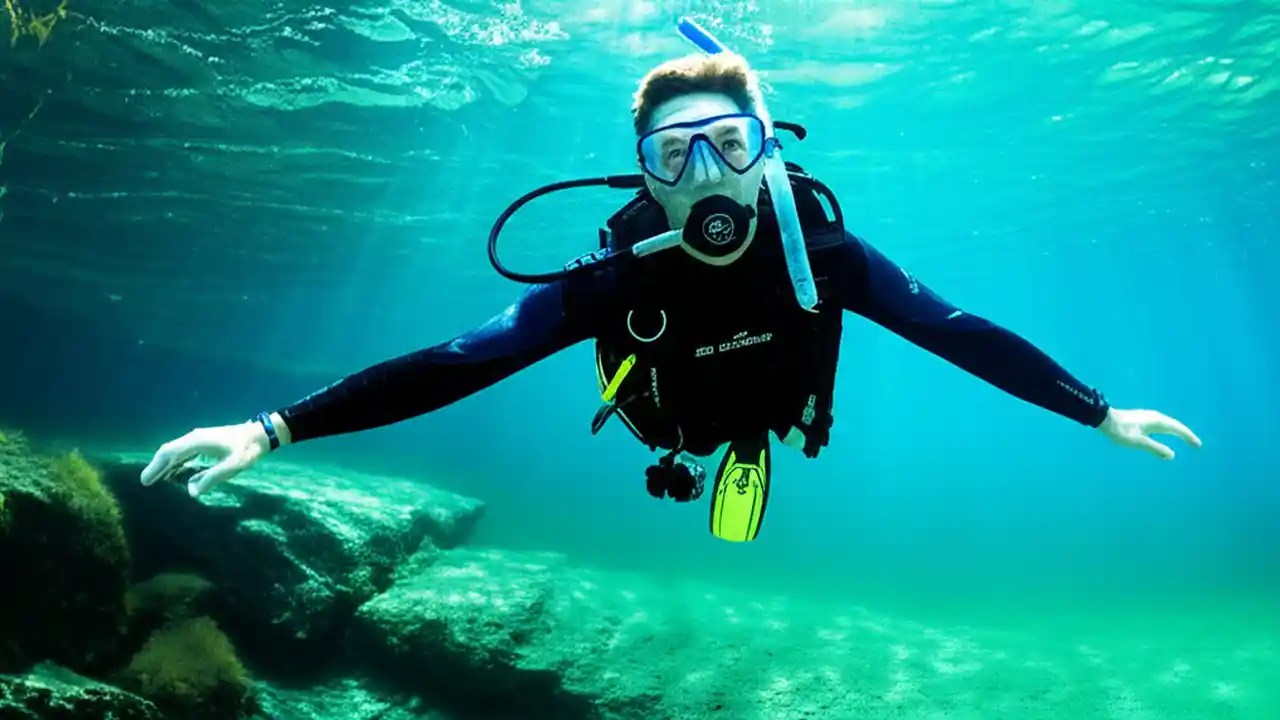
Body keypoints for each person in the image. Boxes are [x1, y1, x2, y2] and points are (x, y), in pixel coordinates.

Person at [141, 30, 1200, 543]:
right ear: (641, 171)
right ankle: (721, 452)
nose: (706, 180)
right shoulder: (611, 282)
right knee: (684, 438)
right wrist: (273, 429)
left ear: (768, 155)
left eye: (728, 146)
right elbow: (462, 363)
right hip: (668, 420)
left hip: (782, 403)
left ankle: (753, 445)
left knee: (764, 420)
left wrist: (1096, 414)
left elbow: (956, 331)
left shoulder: (825, 258)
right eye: (674, 156)